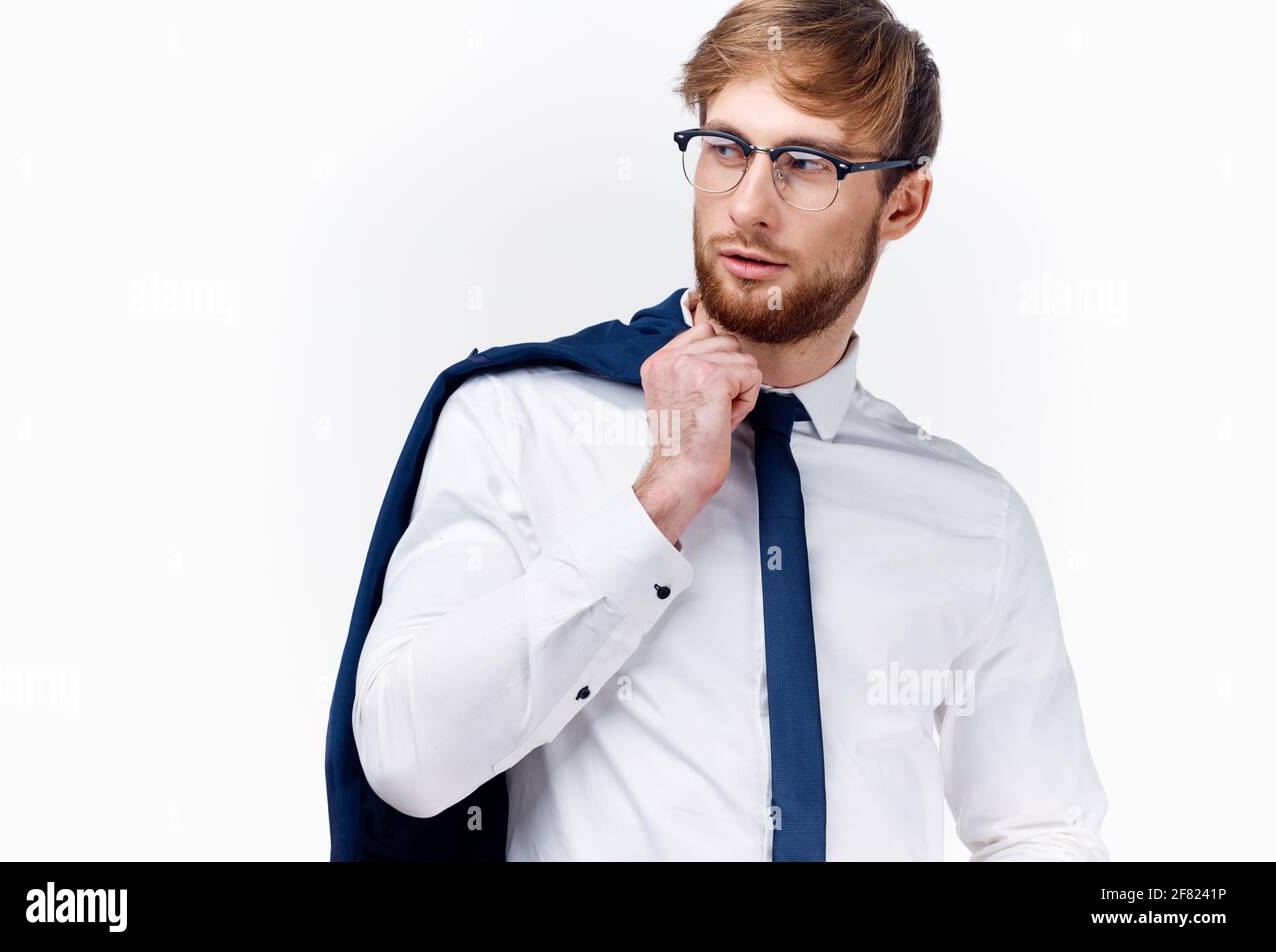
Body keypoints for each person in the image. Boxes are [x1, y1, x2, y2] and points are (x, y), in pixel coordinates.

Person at [347, 0, 1110, 861]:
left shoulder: (976, 520)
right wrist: (657, 501)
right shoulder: (516, 421)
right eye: (727, 150)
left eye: (807, 163)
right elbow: (406, 761)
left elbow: (1038, 829)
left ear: (903, 205)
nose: (750, 204)